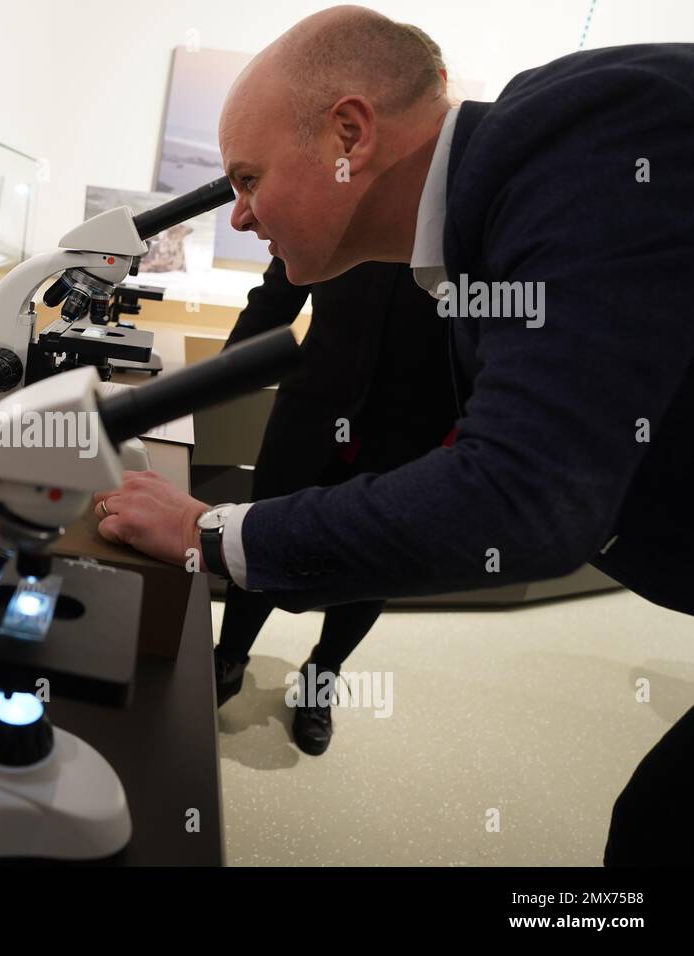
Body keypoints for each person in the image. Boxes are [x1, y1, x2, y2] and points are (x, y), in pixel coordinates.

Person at [93, 6, 694, 864]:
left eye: (248, 180)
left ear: (349, 133)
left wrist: (202, 529)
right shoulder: (490, 209)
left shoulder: (586, 131)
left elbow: (524, 498)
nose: (240, 216)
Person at [216, 256, 454, 757]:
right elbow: (281, 285)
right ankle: (228, 659)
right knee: (262, 531)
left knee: (377, 561)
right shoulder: (333, 183)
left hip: (415, 426)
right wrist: (226, 370)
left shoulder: (470, 208)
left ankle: (321, 678)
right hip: (313, 406)